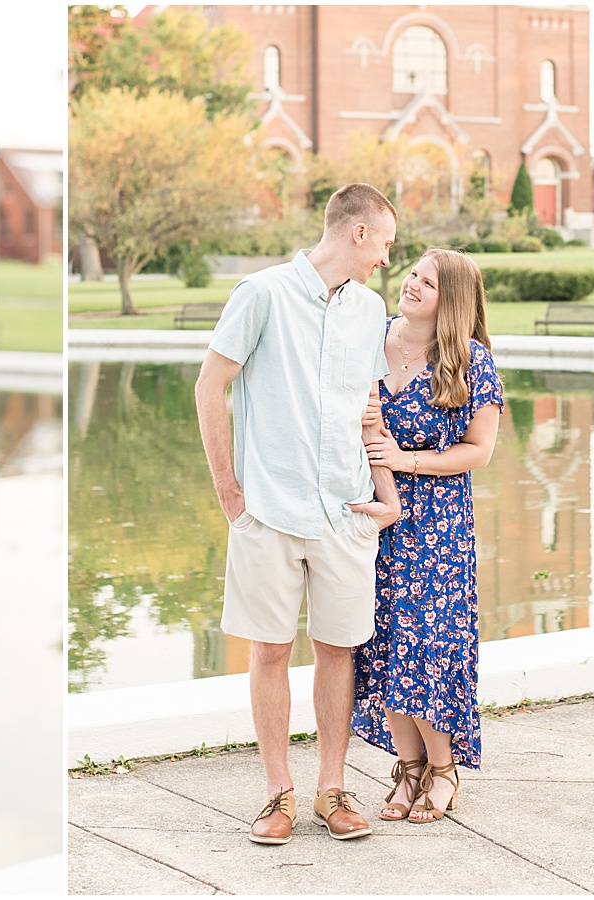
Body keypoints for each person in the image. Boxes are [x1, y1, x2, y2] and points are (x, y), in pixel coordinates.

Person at [196, 183, 402, 846]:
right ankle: (276, 793)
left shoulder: (370, 311)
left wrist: (382, 494)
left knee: (339, 649)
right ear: (359, 233)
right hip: (271, 508)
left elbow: (368, 404)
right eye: (386, 245)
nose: (387, 261)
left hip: (345, 511)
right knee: (271, 649)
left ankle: (332, 790)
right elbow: (210, 386)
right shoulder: (261, 295)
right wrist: (230, 491)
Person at [352, 248, 503, 823]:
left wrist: (405, 459)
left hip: (438, 524)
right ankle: (407, 769)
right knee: (385, 641)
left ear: (452, 300)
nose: (411, 284)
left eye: (428, 283)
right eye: (412, 274)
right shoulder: (373, 336)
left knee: (429, 643)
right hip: (373, 516)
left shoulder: (469, 359)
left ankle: (442, 769)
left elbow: (479, 451)